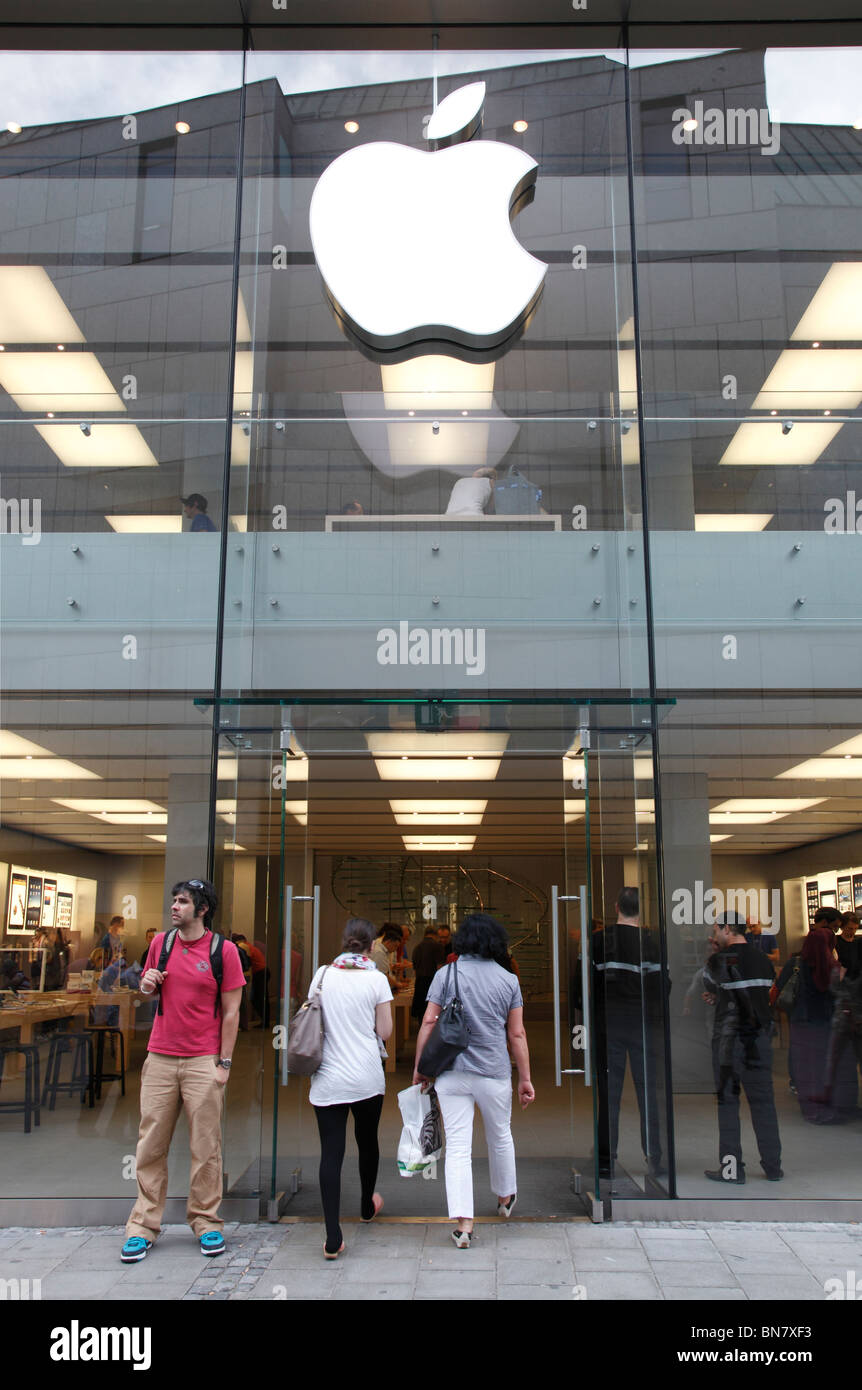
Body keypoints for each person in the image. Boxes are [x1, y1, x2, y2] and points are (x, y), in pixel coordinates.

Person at [120, 878, 245, 1263]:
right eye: (174, 901)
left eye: (182, 902)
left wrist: (223, 1064)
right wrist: (145, 984)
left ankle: (206, 1222)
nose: (174, 907)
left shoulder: (224, 951)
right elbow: (148, 990)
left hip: (202, 1060)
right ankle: (142, 1226)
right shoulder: (162, 943)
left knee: (205, 1147)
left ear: (202, 909)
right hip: (159, 1056)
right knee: (150, 1144)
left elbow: (231, 1012)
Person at [414, 912, 534, 1249]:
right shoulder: (508, 979)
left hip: (451, 1072)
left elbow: (427, 1023)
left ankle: (464, 1225)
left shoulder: (444, 974)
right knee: (500, 1136)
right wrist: (525, 1078)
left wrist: (421, 1068)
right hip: (494, 1073)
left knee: (458, 1147)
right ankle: (505, 1196)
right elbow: (517, 1033)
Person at [307, 918, 393, 1259]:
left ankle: (332, 1237)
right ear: (372, 946)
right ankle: (367, 1205)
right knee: (367, 1141)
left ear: (345, 942)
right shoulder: (377, 979)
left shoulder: (323, 975)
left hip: (328, 1076)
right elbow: (385, 1031)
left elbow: (313, 1016)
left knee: (331, 1152)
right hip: (367, 1077)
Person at [702, 910, 782, 1182]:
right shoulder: (763, 959)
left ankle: (731, 1169)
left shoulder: (719, 960)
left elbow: (709, 984)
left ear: (727, 929)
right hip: (759, 1039)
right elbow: (766, 991)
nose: (714, 934)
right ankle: (773, 1167)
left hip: (729, 1042)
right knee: (764, 1104)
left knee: (728, 1104)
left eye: (716, 929)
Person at [593, 887, 665, 1179]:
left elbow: (590, 986)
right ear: (640, 909)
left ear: (616, 906)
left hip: (610, 1023)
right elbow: (662, 985)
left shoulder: (600, 940)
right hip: (643, 1024)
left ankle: (606, 1160)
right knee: (648, 1092)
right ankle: (656, 1158)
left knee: (609, 1095)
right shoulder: (652, 941)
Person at [776, 907, 855, 1124]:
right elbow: (831, 990)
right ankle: (819, 1109)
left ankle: (815, 1108)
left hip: (805, 1020)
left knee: (810, 1066)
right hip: (818, 1022)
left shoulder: (804, 961)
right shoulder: (826, 965)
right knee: (819, 1067)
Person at [411, 926, 442, 1023]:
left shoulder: (417, 947)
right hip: (433, 984)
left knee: (421, 1016)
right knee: (434, 1016)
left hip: (419, 984)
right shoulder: (438, 946)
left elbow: (415, 969)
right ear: (435, 935)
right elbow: (439, 968)